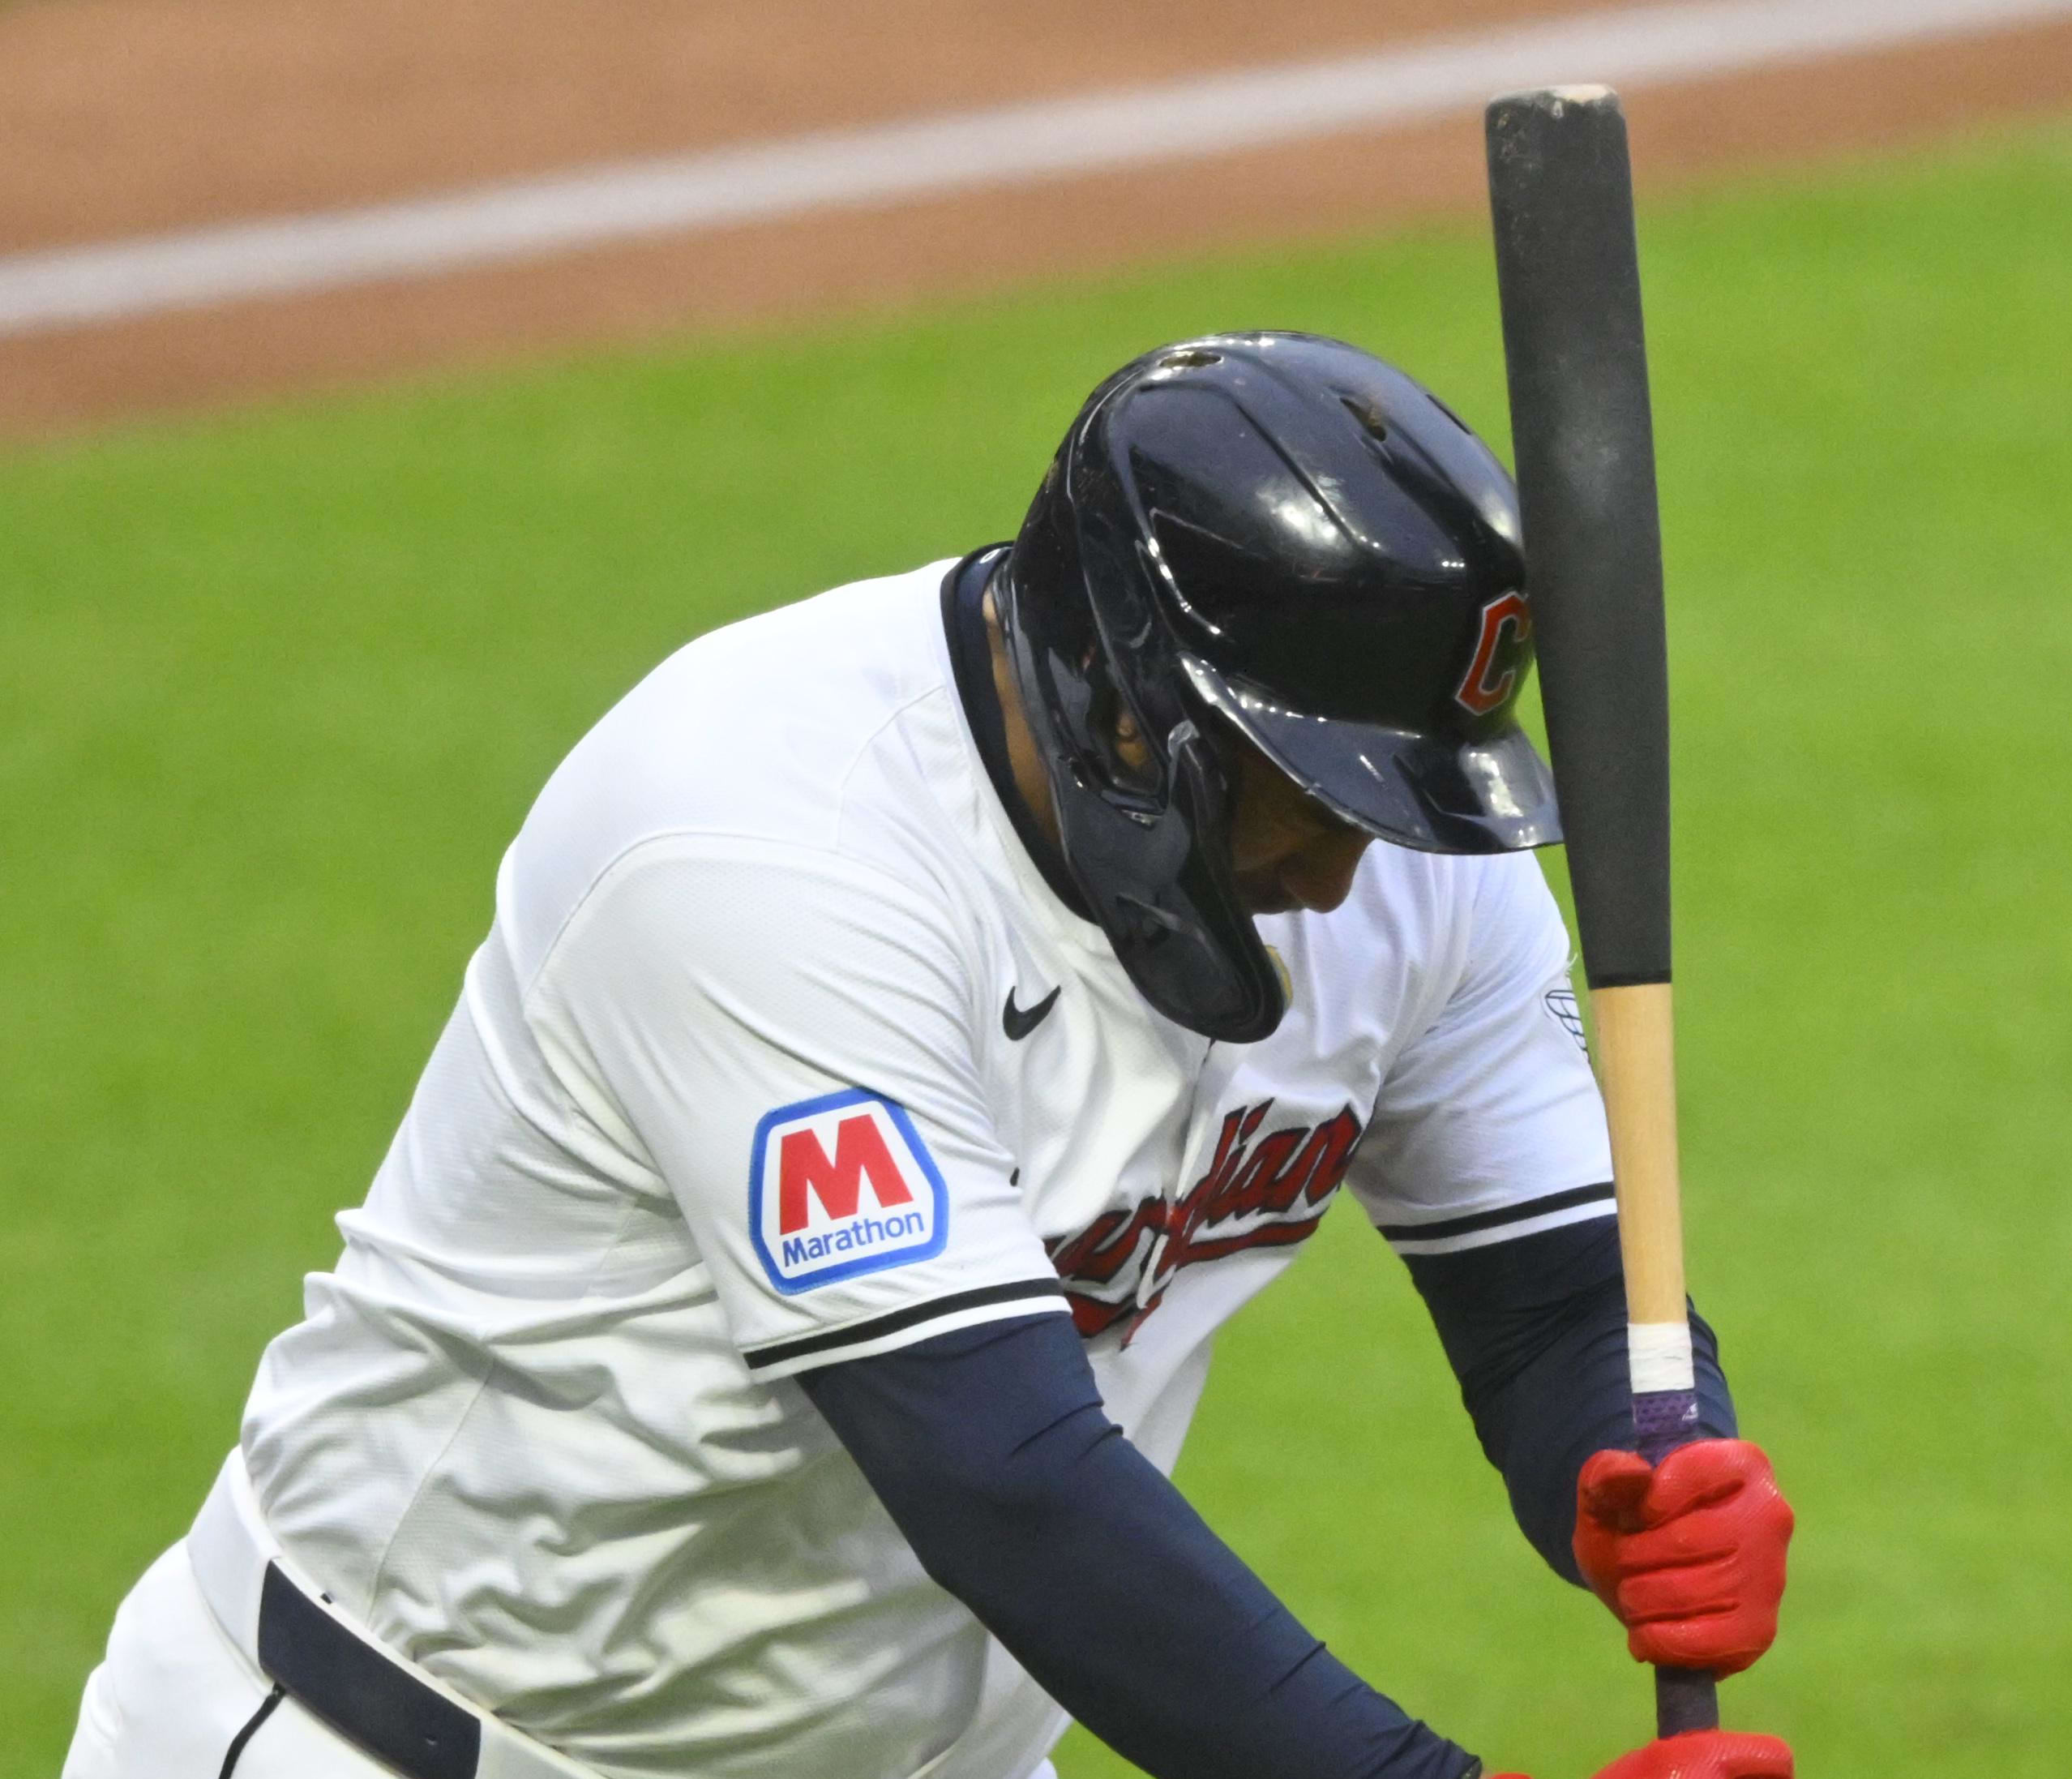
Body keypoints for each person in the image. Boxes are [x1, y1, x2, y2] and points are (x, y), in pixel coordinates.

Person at [60, 332, 1796, 1779]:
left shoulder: (1403, 864)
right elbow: (1004, 1476)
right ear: (1132, 710)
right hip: (416, 1738)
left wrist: (1632, 1466)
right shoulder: (761, 843)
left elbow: (1559, 1302)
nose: (1350, 870)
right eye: (1310, 792)